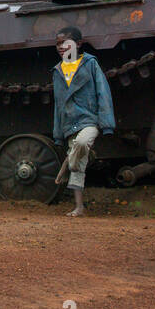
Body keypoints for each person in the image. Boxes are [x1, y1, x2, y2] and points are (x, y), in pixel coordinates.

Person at [51, 26, 115, 217]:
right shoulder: (58, 71)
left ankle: (69, 162)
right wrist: (58, 134)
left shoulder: (89, 64)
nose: (61, 47)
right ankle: (79, 207)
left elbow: (103, 93)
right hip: (70, 123)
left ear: (78, 44)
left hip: (89, 119)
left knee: (80, 145)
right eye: (57, 44)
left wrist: (107, 124)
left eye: (65, 42)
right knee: (78, 167)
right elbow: (58, 105)